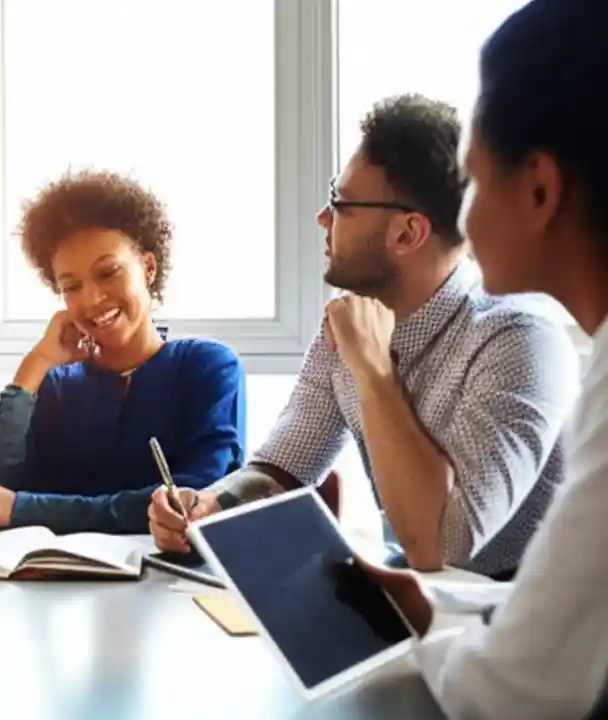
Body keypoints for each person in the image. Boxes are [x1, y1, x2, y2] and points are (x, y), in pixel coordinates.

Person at [149, 93, 580, 578]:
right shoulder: (348, 322)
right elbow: (282, 468)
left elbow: (446, 546)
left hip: (527, 614)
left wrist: (375, 373)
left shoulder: (520, 340)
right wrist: (212, 504)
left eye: (341, 203)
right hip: (434, 602)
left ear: (407, 233)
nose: (322, 219)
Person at [362, 1, 608, 716]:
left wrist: (424, 628)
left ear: (539, 188)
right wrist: (445, 613)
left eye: (469, 182)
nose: (459, 220)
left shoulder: (530, 342)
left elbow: (521, 692)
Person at [0, 170, 245, 533]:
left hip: (167, 585)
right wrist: (35, 366)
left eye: (108, 273)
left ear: (148, 267)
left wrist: (27, 509)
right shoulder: (56, 386)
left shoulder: (207, 367)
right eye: (71, 286)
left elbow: (198, 498)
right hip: (53, 585)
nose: (91, 300)